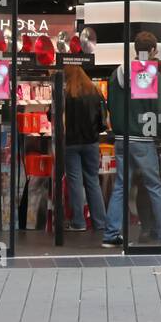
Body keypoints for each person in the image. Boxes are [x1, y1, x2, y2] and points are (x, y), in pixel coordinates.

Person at [105, 31, 161, 246]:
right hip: (143, 139)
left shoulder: (116, 74)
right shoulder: (152, 73)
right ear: (153, 50)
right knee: (154, 186)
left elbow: (110, 106)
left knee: (120, 186)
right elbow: (160, 109)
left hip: (121, 137)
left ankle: (110, 235)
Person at [62, 65, 107, 233]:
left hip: (71, 143)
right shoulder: (95, 92)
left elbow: (53, 115)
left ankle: (78, 222)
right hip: (91, 142)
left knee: (75, 182)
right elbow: (103, 119)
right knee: (93, 180)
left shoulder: (67, 94)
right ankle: (100, 222)